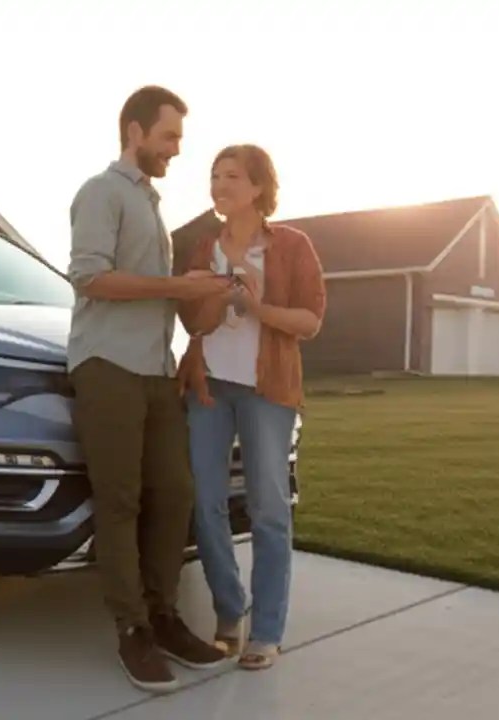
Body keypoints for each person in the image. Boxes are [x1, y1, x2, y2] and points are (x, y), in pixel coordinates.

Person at [66, 85, 232, 694]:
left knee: (175, 491)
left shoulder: (154, 207)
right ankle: (132, 630)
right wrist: (174, 288)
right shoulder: (102, 192)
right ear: (135, 132)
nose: (176, 150)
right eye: (170, 137)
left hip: (157, 370)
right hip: (106, 364)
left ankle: (163, 617)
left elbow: (164, 296)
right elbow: (89, 278)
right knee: (120, 500)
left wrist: (199, 298)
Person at [175, 144, 326, 671]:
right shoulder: (202, 248)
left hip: (269, 391)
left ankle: (266, 631)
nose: (219, 185)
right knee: (206, 503)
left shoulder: (292, 246)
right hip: (208, 387)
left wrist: (257, 304)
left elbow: (310, 321)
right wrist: (218, 294)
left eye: (232, 176)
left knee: (267, 508)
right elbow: (193, 323)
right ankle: (229, 610)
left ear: (259, 187)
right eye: (214, 176)